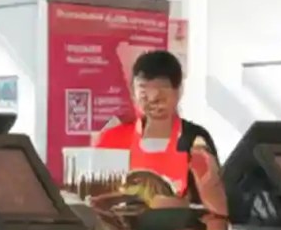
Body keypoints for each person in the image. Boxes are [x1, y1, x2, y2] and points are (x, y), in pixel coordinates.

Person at [94, 50, 225, 214]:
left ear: (178, 91)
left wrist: (182, 206)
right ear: (133, 91)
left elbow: (218, 212)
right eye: (143, 90)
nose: (153, 98)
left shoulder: (194, 140)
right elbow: (94, 201)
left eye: (161, 91)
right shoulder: (112, 138)